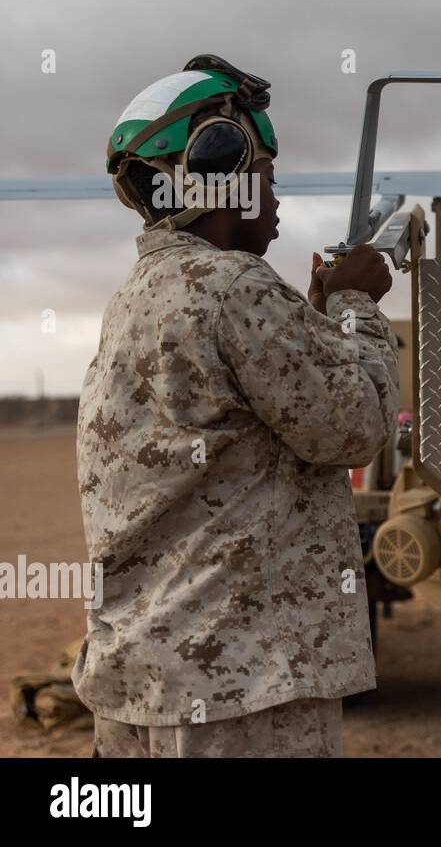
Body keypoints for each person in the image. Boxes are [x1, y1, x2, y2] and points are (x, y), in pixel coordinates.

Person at [76, 54, 399, 757]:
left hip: (143, 683)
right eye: (267, 177)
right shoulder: (234, 287)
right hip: (241, 692)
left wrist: (311, 327)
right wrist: (355, 306)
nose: (276, 200)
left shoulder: (138, 295)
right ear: (218, 173)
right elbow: (355, 429)